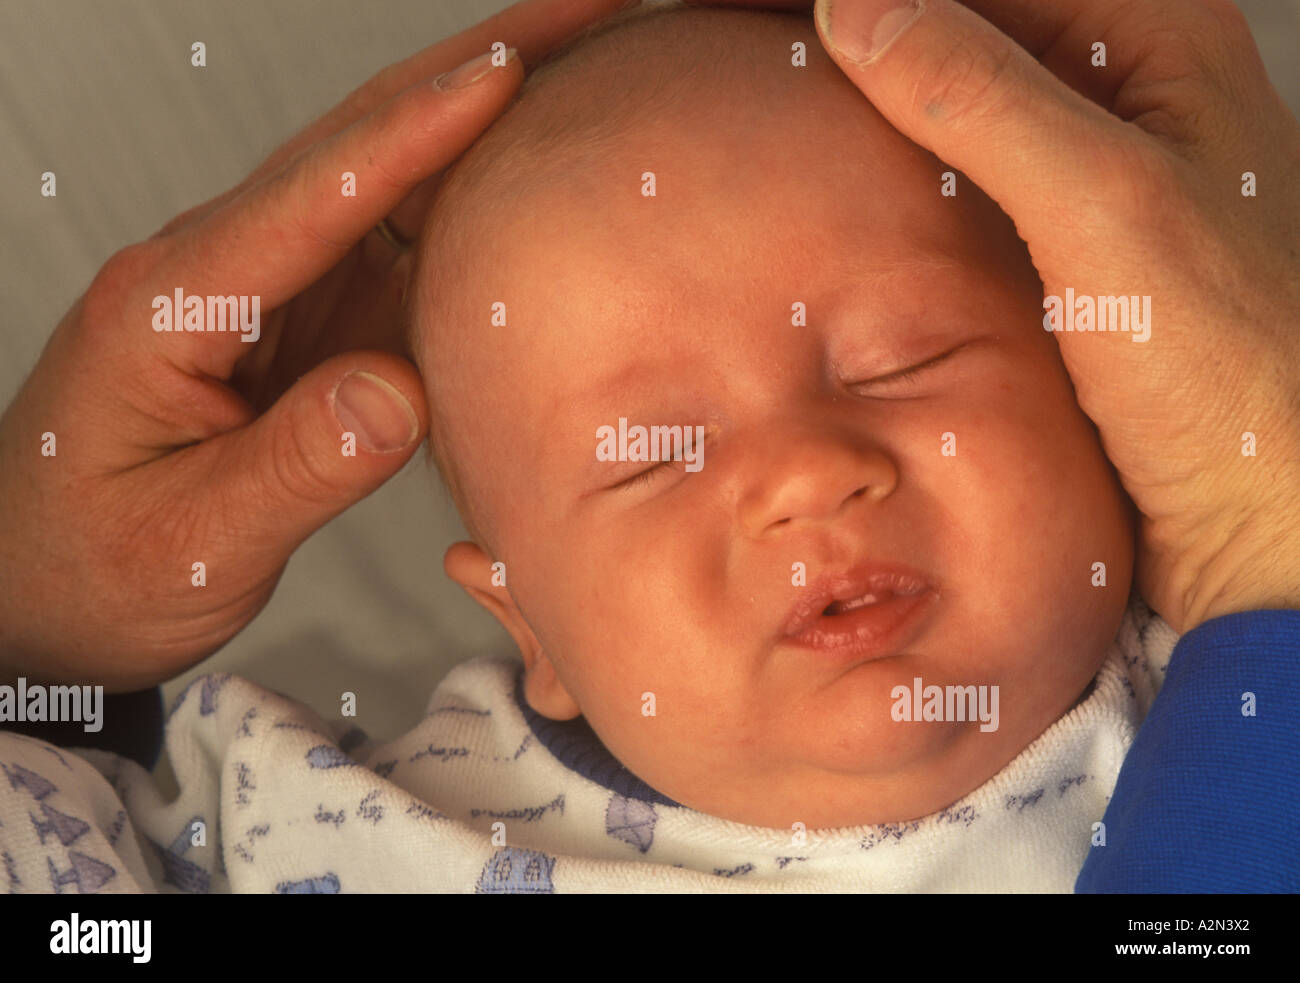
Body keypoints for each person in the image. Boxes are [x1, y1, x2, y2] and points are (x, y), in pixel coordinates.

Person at [0, 0, 1295, 892]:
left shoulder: (1244, 679)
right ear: (535, 631)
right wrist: (33, 649)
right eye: (651, 452)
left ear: (1107, 391)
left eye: (906, 362)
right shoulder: (328, 822)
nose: (800, 476)